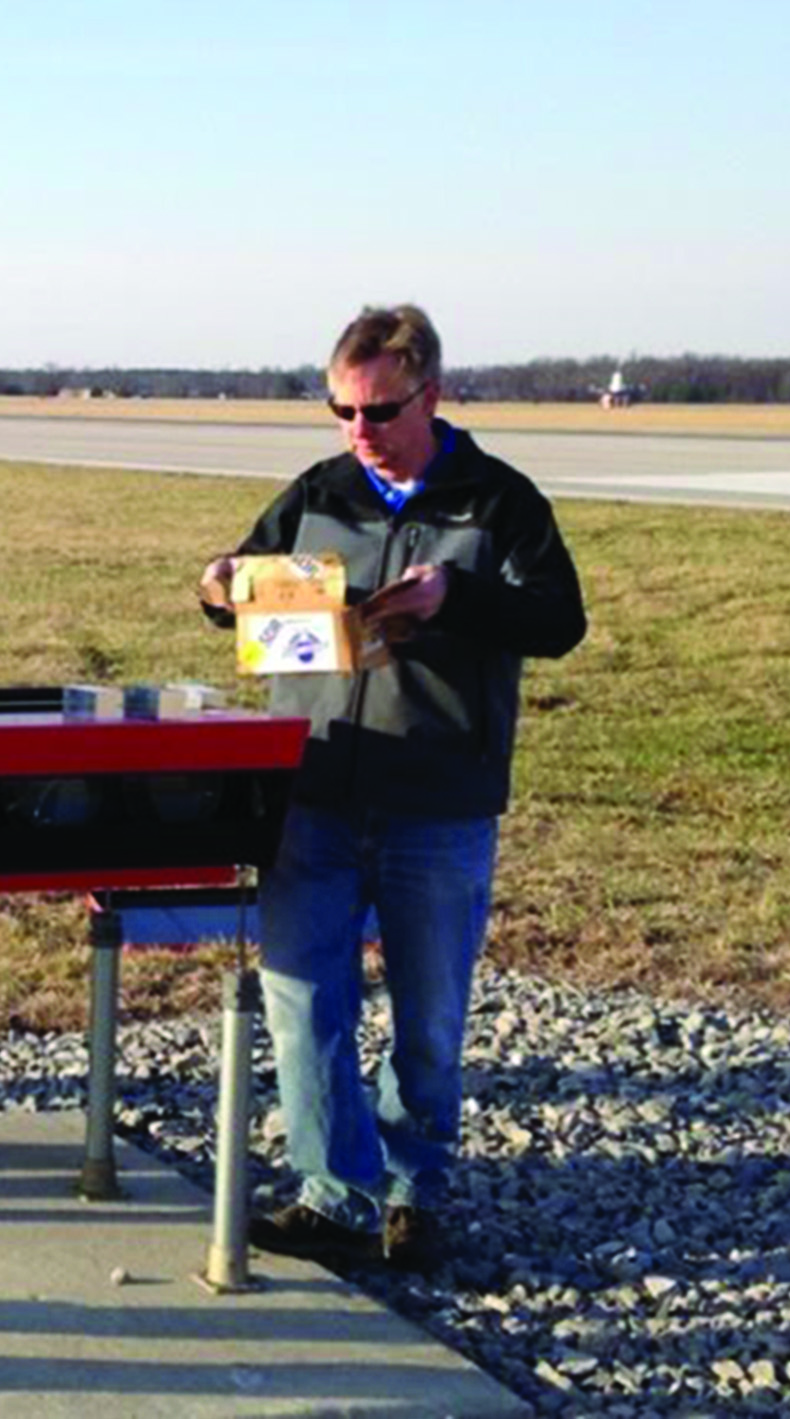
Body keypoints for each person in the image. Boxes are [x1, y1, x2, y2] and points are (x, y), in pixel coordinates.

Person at [197, 304, 586, 1274]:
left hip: (437, 798)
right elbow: (241, 587)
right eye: (340, 410)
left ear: (430, 395)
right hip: (314, 789)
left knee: (429, 1015)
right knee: (301, 1001)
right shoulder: (318, 490)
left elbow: (559, 619)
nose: (358, 430)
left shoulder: (497, 501)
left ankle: (415, 1191)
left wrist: (457, 599)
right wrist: (216, 587)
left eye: (377, 410)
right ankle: (334, 1193)